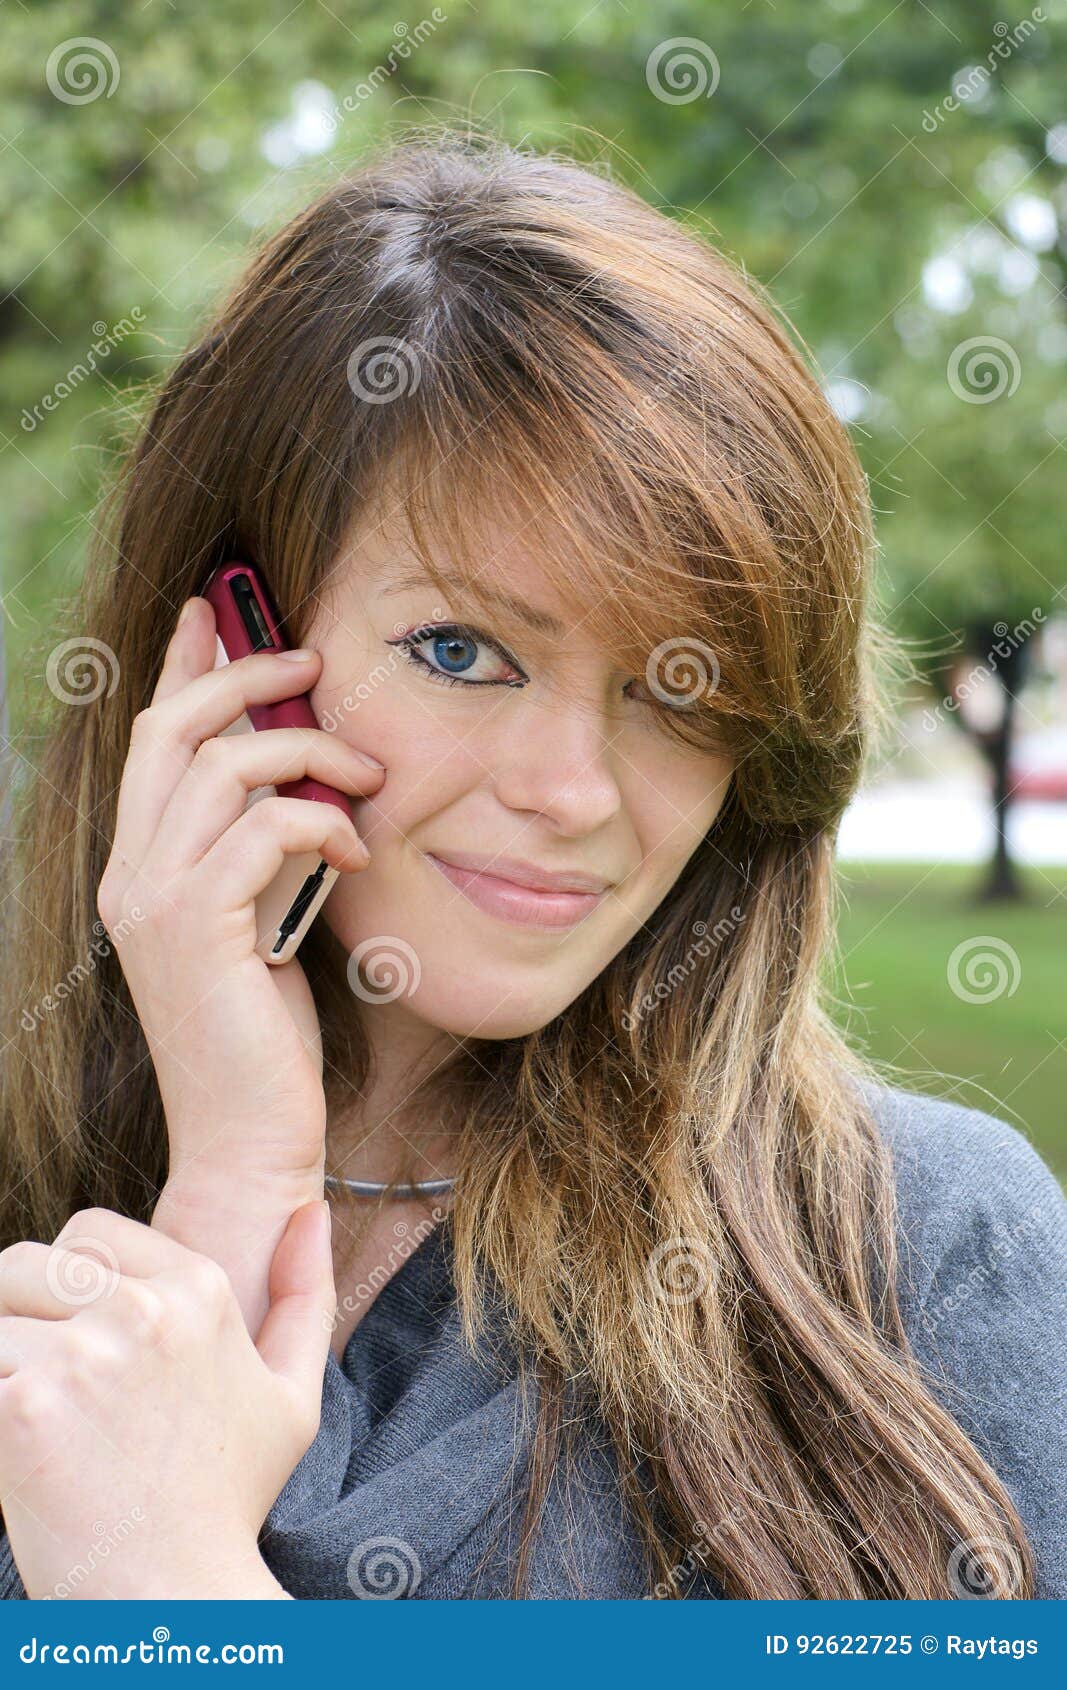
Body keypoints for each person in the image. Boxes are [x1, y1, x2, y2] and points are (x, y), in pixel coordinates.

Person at [0, 129, 1064, 1602]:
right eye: (461, 650)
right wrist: (238, 1174)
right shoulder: (34, 1191)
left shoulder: (930, 1253)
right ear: (236, 650)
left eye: (677, 688)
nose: (571, 793)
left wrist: (161, 1586)